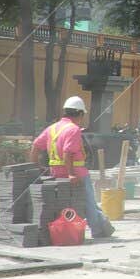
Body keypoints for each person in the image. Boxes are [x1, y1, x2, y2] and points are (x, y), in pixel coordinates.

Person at [31, 96, 115, 240]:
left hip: (56, 173)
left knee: (65, 203)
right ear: (80, 114)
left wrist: (36, 166)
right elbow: (67, 152)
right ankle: (97, 231)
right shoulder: (73, 129)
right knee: (89, 202)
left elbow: (35, 146)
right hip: (77, 173)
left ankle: (74, 228)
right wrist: (70, 174)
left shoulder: (52, 128)